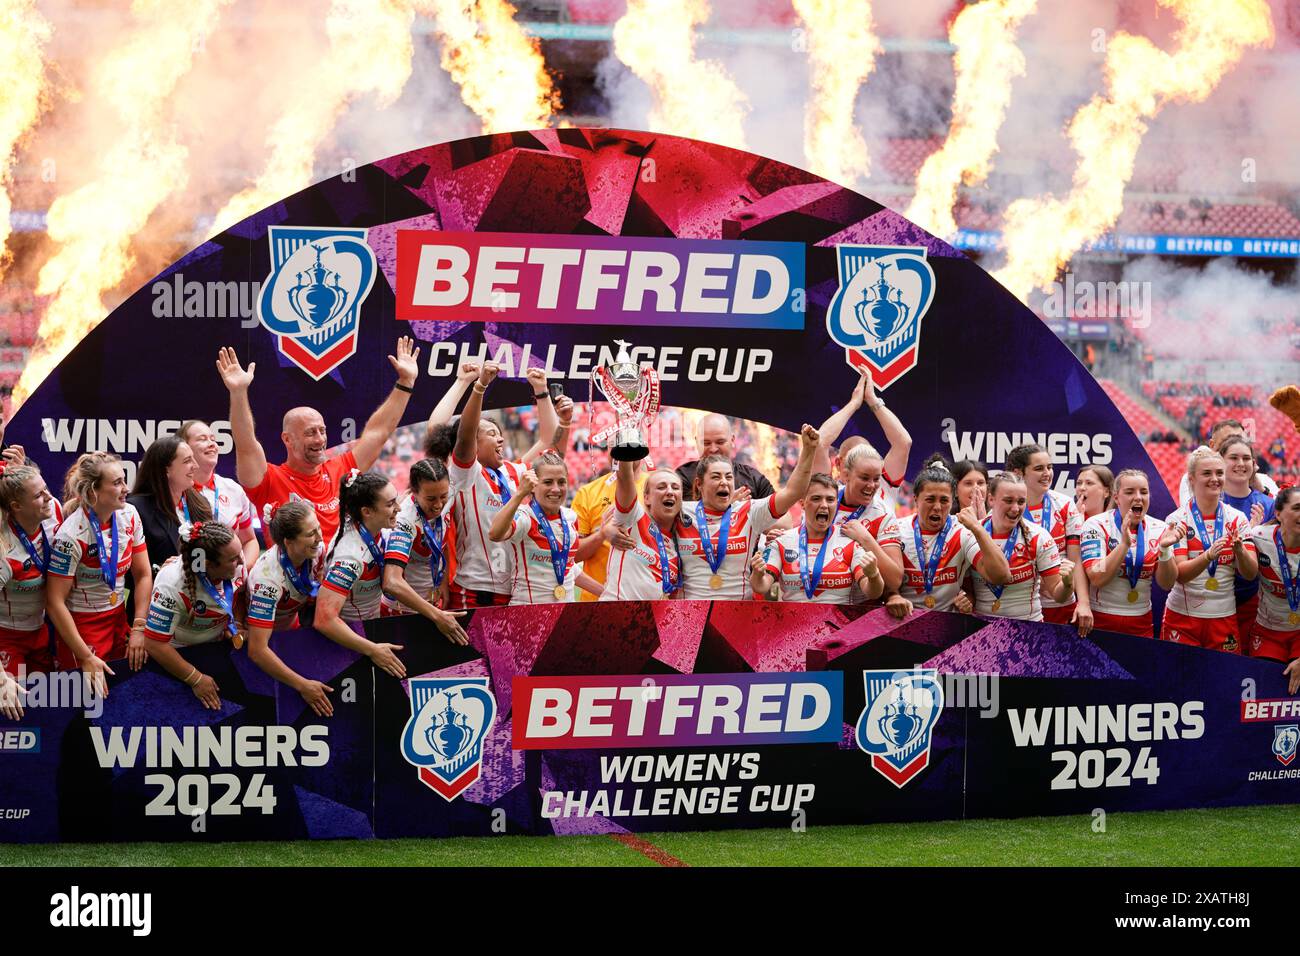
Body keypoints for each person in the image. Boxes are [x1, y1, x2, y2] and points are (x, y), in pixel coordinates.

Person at [216, 335, 430, 542]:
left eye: (322, 430)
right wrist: (238, 392)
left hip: (342, 576)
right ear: (287, 439)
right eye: (310, 433)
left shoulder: (342, 470)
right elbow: (245, 443)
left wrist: (406, 382)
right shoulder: (269, 481)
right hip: (290, 578)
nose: (320, 440)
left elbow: (379, 432)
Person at [447, 362, 566, 608]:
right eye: (490, 434)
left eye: (499, 433)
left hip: (513, 588)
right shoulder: (465, 473)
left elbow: (547, 440)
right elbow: (466, 432)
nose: (500, 438)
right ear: (475, 444)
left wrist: (542, 392)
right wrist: (480, 387)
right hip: (474, 588)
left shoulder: (514, 471)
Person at [46, 453, 152, 695]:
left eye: (124, 480)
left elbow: (143, 574)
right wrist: (84, 656)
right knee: (86, 709)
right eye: (116, 483)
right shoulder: (71, 535)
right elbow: (54, 602)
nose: (126, 489)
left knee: (124, 697)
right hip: (82, 630)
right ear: (94, 490)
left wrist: (139, 627)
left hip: (118, 621)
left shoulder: (130, 515)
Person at [679, 424, 820, 600]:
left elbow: (793, 492)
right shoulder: (681, 512)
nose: (724, 482)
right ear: (699, 484)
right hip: (691, 614)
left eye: (728, 477)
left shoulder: (750, 511)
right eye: (716, 477)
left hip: (739, 613)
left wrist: (809, 450)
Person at [140, 522, 245, 711]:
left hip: (215, 649)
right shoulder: (172, 585)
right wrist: (195, 679)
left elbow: (241, 592)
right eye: (233, 559)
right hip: (177, 658)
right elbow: (154, 644)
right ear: (207, 564)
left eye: (240, 554)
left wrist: (235, 623)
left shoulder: (233, 564)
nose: (242, 562)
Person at [244, 502, 336, 716]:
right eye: (311, 534)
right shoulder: (267, 581)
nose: (320, 538)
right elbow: (257, 650)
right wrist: (303, 685)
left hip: (292, 630)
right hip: (265, 644)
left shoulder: (317, 551)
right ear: (288, 542)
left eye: (318, 529)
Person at [1163, 446, 1258, 652]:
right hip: (1183, 618)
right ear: (1191, 479)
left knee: (1223, 683)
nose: (1214, 479)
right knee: (1180, 683)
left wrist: (1240, 552)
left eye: (1219, 473)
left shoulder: (1236, 519)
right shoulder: (1177, 519)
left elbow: (1250, 574)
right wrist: (1208, 556)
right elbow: (1180, 574)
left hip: (1223, 617)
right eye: (1206, 473)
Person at [313, 471, 408, 679]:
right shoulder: (350, 558)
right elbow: (324, 620)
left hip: (371, 631)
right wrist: (372, 650)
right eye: (391, 504)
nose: (398, 508)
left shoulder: (376, 528)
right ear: (367, 511)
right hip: (350, 643)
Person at [884, 464, 1010, 618]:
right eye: (930, 499)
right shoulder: (896, 530)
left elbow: (1001, 576)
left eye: (944, 500)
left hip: (947, 628)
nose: (937, 507)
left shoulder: (962, 531)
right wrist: (892, 596)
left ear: (952, 500)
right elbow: (881, 580)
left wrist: (978, 528)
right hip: (902, 625)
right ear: (916, 499)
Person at [750, 473, 884, 604]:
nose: (824, 505)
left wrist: (874, 575)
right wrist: (757, 573)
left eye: (830, 500)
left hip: (839, 625)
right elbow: (761, 586)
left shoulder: (849, 542)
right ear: (803, 503)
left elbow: (872, 592)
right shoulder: (782, 541)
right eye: (816, 498)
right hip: (793, 624)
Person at [1080, 469, 1182, 638]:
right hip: (1101, 620)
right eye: (1129, 492)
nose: (1138, 497)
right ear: (1116, 498)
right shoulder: (1096, 525)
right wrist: (1124, 546)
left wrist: (1164, 551)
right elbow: (1097, 577)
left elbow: (1167, 583)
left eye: (1144, 492)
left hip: (1141, 622)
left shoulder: (1161, 529)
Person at [488, 452, 601, 603]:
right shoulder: (524, 517)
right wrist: (520, 493)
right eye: (548, 482)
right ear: (533, 486)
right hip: (528, 614)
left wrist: (605, 592)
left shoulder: (571, 517)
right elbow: (494, 534)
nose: (556, 489)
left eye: (561, 482)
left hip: (565, 614)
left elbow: (567, 566)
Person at [1006, 443, 1092, 636]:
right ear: (1019, 473)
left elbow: (1075, 560)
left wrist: (1083, 603)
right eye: (1039, 468)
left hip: (1060, 602)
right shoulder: (1007, 508)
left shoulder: (1064, 504)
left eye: (1049, 467)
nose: (1047, 473)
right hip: (1023, 606)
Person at [380, 459, 469, 642]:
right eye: (430, 499)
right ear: (414, 492)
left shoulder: (449, 495)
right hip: (401, 611)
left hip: (431, 605)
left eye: (442, 496)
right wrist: (437, 615)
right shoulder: (405, 521)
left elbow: (440, 543)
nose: (438, 505)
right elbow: (391, 582)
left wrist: (442, 583)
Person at [971, 473, 1075, 622]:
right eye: (1008, 500)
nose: (1015, 508)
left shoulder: (1039, 537)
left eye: (1021, 502)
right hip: (982, 628)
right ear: (991, 499)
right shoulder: (971, 533)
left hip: (1028, 628)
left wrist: (1068, 585)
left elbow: (1058, 596)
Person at [814, 370, 912, 509]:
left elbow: (903, 442)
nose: (870, 484)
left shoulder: (882, 484)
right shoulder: (827, 491)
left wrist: (872, 400)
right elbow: (819, 443)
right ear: (838, 463)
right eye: (853, 458)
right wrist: (854, 404)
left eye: (866, 456)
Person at [0, 465, 60, 675]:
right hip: (7, 639)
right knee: (15, 703)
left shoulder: (53, 512)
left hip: (42, 631)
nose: (48, 497)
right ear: (16, 506)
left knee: (46, 701)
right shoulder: (5, 549)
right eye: (38, 495)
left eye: (46, 489)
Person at [823, 442, 906, 593]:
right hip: (822, 597)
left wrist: (866, 539)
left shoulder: (883, 514)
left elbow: (895, 580)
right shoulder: (826, 500)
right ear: (846, 475)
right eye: (864, 478)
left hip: (863, 605)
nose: (871, 485)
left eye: (876, 479)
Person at [177, 420, 260, 568]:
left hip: (229, 586)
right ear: (184, 448)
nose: (212, 444)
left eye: (213, 439)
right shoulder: (174, 491)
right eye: (202, 439)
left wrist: (241, 573)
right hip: (183, 582)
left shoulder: (233, 490)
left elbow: (249, 541)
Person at [601, 459, 685, 602]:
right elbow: (625, 478)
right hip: (615, 616)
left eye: (675, 487)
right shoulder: (634, 518)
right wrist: (626, 451)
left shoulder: (679, 541)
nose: (670, 491)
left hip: (651, 621)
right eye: (661, 487)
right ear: (646, 498)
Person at [126, 435, 212, 573]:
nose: (195, 466)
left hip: (198, 592)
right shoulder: (136, 509)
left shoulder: (201, 504)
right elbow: (125, 570)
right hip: (157, 592)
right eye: (187, 461)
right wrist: (160, 570)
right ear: (166, 470)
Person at [571, 453, 646, 602]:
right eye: (616, 442)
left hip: (645, 599)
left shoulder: (658, 487)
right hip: (595, 601)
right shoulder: (587, 493)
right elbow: (572, 555)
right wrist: (601, 535)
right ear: (609, 448)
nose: (624, 448)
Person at [1247, 487, 1300, 671]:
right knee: (1264, 691)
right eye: (1297, 508)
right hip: (1266, 632)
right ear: (1278, 513)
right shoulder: (1258, 537)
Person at [676, 413, 776, 502]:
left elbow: (784, 521)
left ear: (732, 440)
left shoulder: (754, 479)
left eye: (720, 442)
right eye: (706, 443)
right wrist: (728, 507)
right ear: (697, 442)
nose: (713, 449)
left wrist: (749, 511)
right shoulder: (682, 477)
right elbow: (676, 516)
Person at [1178, 419, 1278, 505]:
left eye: (1239, 441)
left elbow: (1281, 516)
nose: (1233, 446)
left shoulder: (1264, 480)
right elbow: (1191, 517)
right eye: (1227, 441)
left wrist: (1261, 489)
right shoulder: (1196, 478)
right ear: (1212, 445)